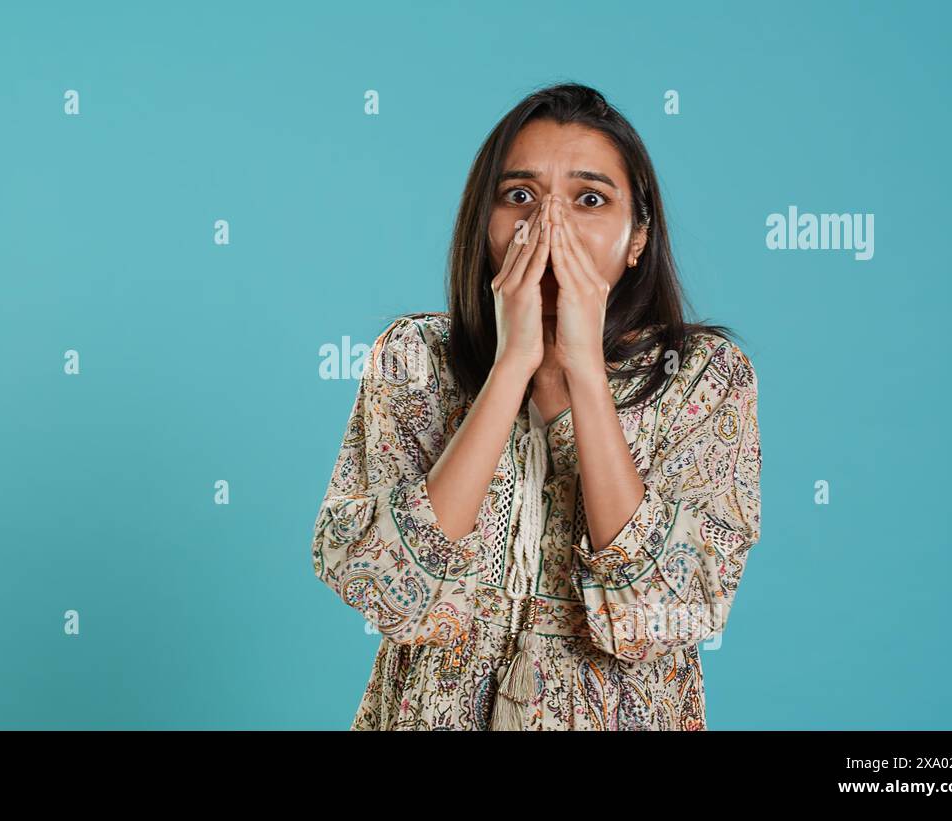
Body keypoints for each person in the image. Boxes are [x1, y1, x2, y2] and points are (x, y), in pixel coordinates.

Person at [310, 82, 762, 730]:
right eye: (520, 196)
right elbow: (382, 586)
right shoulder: (413, 359)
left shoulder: (703, 378)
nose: (550, 227)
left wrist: (575, 372)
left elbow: (668, 608)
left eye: (589, 199)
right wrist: (511, 367)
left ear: (637, 237)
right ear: (482, 224)